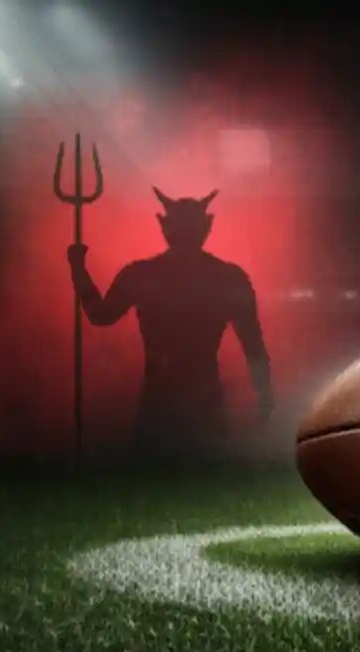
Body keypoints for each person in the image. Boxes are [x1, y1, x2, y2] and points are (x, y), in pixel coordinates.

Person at [66, 187, 272, 458]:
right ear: (205, 229)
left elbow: (101, 315)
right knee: (202, 480)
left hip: (168, 398)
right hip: (195, 398)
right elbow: (253, 346)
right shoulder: (229, 278)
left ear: (166, 228)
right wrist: (264, 395)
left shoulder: (143, 274)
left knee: (160, 479)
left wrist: (79, 271)